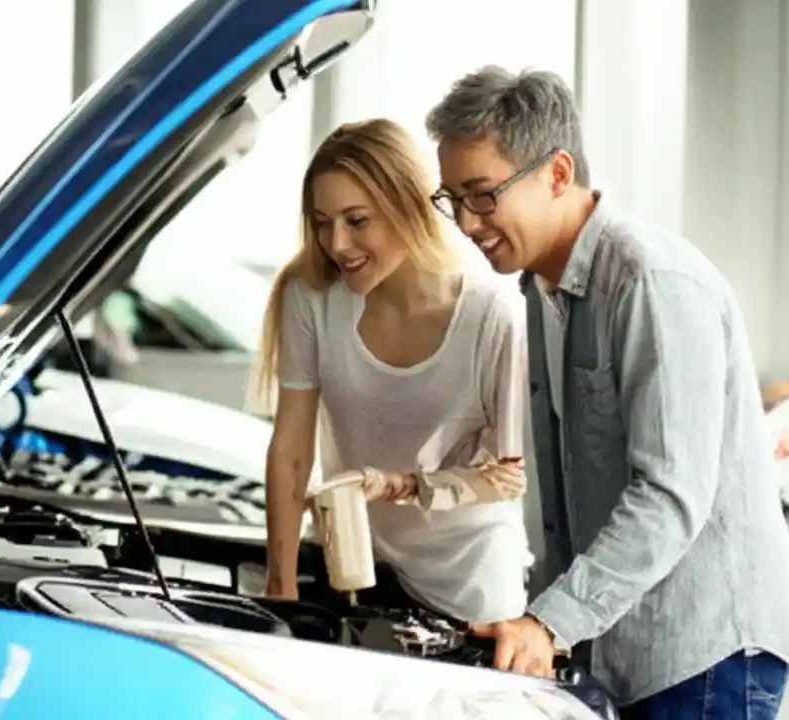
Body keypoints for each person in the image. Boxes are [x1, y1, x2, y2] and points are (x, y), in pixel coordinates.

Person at [425, 66, 789, 718]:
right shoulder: (539, 290)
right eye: (450, 199)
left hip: (702, 654)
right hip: (618, 652)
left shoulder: (653, 282)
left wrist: (551, 623)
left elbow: (670, 495)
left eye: (481, 195)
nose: (465, 222)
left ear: (557, 174)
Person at [256, 118, 532, 625]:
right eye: (322, 222)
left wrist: (395, 485)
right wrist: (282, 588)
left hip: (470, 589)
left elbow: (510, 478)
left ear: (408, 206)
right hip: (357, 571)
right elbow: (292, 452)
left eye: (357, 221)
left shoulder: (494, 314)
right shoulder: (311, 298)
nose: (337, 243)